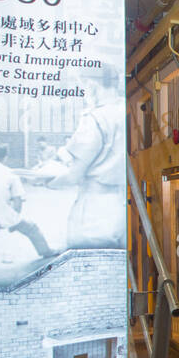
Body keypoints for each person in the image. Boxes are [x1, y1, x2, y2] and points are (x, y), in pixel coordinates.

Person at [50, 66, 125, 249]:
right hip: (122, 206)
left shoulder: (94, 119)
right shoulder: (128, 110)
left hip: (94, 210)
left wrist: (50, 181)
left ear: (92, 84)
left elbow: (73, 175)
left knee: (88, 267)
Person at [0, 142, 56, 266]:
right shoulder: (10, 174)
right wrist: (15, 220)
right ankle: (46, 251)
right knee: (31, 227)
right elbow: (18, 201)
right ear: (5, 157)